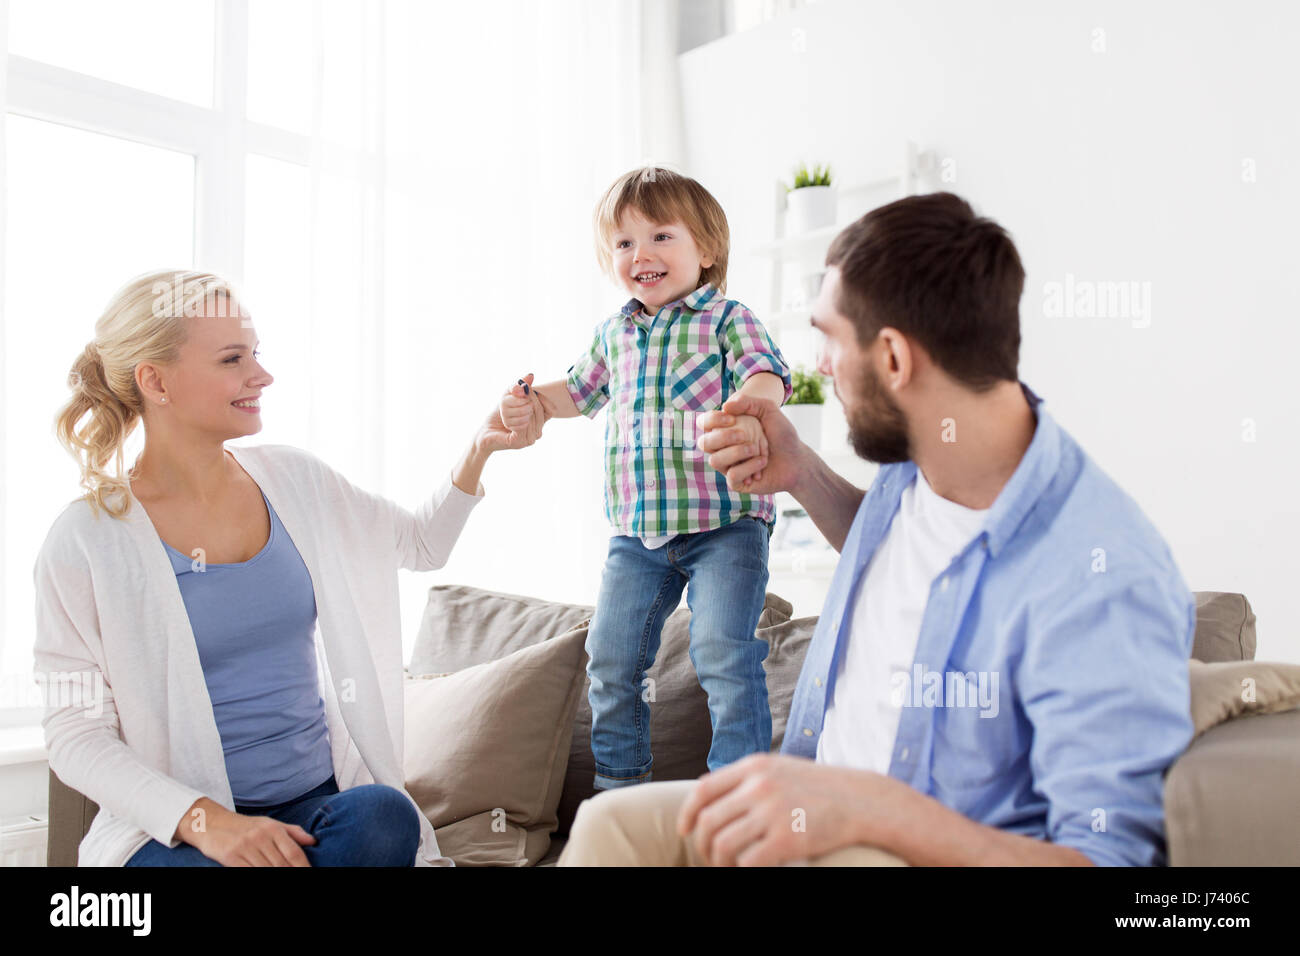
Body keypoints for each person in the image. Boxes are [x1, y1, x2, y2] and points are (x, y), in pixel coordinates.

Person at [556, 192, 1196, 866]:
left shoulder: (1102, 575)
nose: (819, 367)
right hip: (806, 818)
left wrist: (877, 812)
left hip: (894, 850)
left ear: (894, 358)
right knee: (610, 830)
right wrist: (801, 471)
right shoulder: (923, 459)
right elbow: (904, 553)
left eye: (829, 338)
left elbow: (1114, 864)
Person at [33, 269, 547, 866]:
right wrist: (211, 824)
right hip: (183, 831)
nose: (262, 375)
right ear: (156, 381)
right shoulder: (87, 539)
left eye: (256, 354)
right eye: (232, 359)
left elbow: (420, 545)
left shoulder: (295, 481)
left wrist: (481, 446)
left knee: (385, 818)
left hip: (316, 814)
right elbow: (75, 734)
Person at [500, 167, 793, 791]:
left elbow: (768, 374)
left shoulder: (726, 319)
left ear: (705, 250)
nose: (641, 255)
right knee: (609, 658)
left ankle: (741, 797)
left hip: (726, 523)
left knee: (724, 654)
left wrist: (752, 409)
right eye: (624, 243)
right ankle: (619, 795)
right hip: (638, 535)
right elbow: (575, 393)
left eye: (661, 236)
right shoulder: (615, 332)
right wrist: (531, 402)